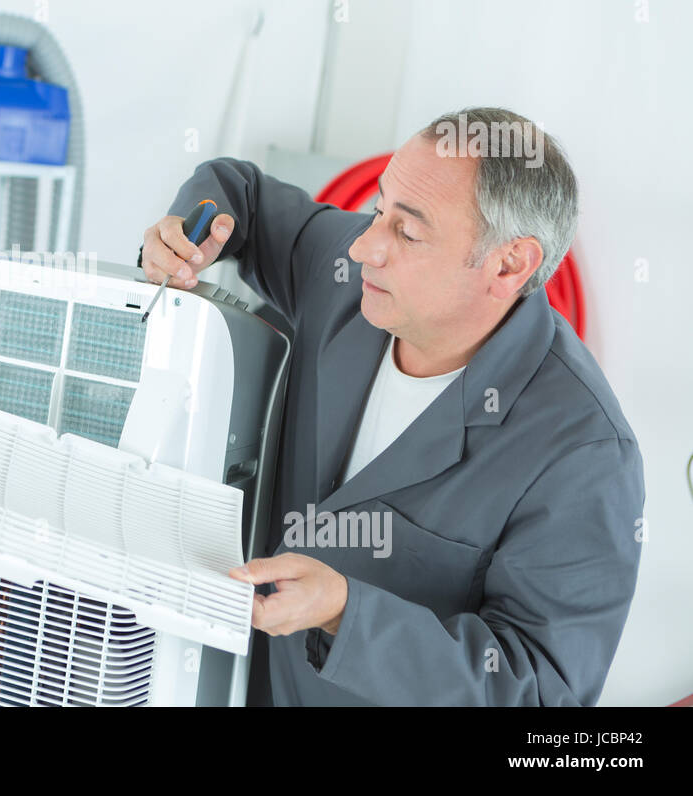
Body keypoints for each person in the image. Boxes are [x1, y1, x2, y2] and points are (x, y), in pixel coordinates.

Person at [140, 107, 644, 706]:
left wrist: (347, 616)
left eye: (407, 232)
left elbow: (541, 698)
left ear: (509, 264)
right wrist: (186, 230)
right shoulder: (345, 278)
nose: (364, 247)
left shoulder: (583, 454)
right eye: (379, 209)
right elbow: (239, 190)